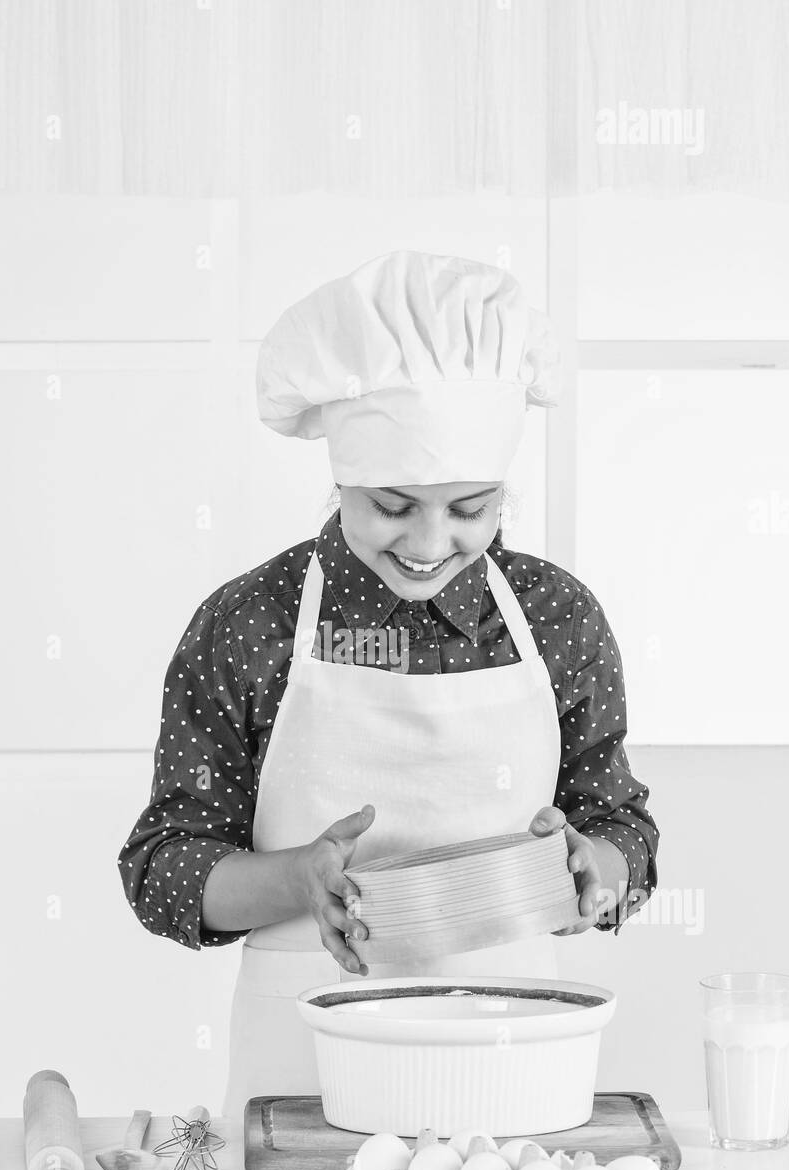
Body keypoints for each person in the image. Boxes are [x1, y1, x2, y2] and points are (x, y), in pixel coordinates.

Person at [118, 250, 659, 1117]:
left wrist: (589, 868)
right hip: (304, 1084)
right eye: (394, 506)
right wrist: (300, 880)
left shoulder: (557, 618)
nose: (431, 542)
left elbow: (621, 826)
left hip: (513, 1068)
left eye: (472, 507)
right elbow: (161, 870)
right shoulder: (249, 623)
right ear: (341, 479)